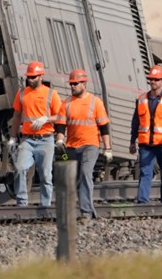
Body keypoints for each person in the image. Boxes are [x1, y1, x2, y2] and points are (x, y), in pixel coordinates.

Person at [54, 69, 111, 219]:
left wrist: (108, 148)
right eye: (71, 84)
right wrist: (60, 140)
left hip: (91, 145)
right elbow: (60, 126)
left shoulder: (95, 102)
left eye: (75, 83)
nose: (72, 86)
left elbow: (104, 127)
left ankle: (85, 212)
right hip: (72, 147)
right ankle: (82, 210)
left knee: (86, 173)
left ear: (84, 83)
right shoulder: (66, 103)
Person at [7, 61, 64, 207]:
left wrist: (46, 118)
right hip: (27, 140)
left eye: (33, 77)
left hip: (46, 140)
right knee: (20, 168)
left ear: (41, 77)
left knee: (45, 175)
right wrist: (13, 138)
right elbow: (17, 117)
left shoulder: (51, 94)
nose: (30, 80)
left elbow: (61, 117)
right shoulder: (22, 94)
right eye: (29, 77)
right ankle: (21, 203)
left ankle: (45, 205)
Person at [129, 64, 162, 204]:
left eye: (156, 79)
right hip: (146, 144)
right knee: (145, 173)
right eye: (151, 79)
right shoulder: (141, 99)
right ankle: (142, 202)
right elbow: (136, 122)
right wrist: (132, 141)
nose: (153, 82)